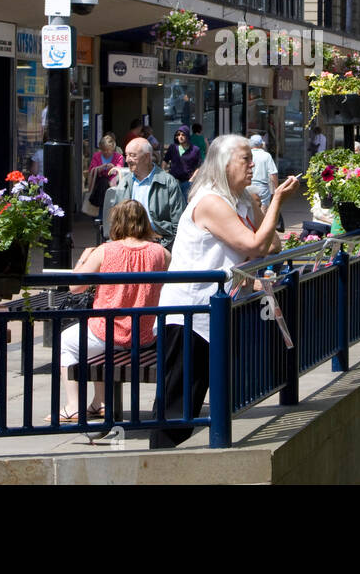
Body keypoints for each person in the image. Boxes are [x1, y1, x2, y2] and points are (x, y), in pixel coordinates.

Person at [150, 135, 299, 448]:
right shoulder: (210, 201)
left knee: (194, 397)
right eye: (245, 159)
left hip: (212, 312)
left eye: (252, 158)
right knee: (178, 406)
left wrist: (260, 205)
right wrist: (277, 202)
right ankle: (158, 462)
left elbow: (273, 244)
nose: (252, 165)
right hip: (188, 314)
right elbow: (256, 245)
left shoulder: (240, 198)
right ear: (224, 164)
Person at [51, 200, 169, 423]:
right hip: (143, 335)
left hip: (107, 332)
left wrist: (83, 259)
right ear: (145, 222)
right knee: (93, 340)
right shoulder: (161, 253)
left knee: (65, 342)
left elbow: (75, 288)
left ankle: (74, 406)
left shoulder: (105, 251)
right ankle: (100, 403)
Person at [101, 138, 185, 251]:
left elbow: (180, 225)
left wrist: (162, 248)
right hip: (128, 245)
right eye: (127, 155)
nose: (128, 160)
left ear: (147, 157)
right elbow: (115, 222)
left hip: (160, 244)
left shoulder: (168, 183)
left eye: (132, 155)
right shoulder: (125, 183)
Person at [84, 134, 124, 216]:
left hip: (113, 183)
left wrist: (113, 168)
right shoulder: (97, 156)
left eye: (108, 150)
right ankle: (101, 215)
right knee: (103, 184)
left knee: (105, 185)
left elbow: (120, 170)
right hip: (99, 184)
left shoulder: (119, 157)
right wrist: (101, 167)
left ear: (113, 149)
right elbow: (92, 170)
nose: (106, 152)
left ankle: (103, 215)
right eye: (103, 150)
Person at [164, 126, 202, 205]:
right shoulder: (173, 148)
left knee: (186, 204)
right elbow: (165, 161)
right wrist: (164, 175)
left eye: (182, 135)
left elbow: (199, 166)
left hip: (187, 181)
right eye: (178, 135)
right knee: (173, 203)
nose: (180, 137)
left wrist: (192, 179)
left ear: (187, 135)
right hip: (174, 181)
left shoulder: (195, 150)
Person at [248, 134, 279, 213]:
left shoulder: (247, 155)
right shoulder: (266, 156)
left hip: (248, 185)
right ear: (262, 144)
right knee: (263, 211)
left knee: (249, 210)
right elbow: (273, 174)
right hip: (262, 187)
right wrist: (276, 188)